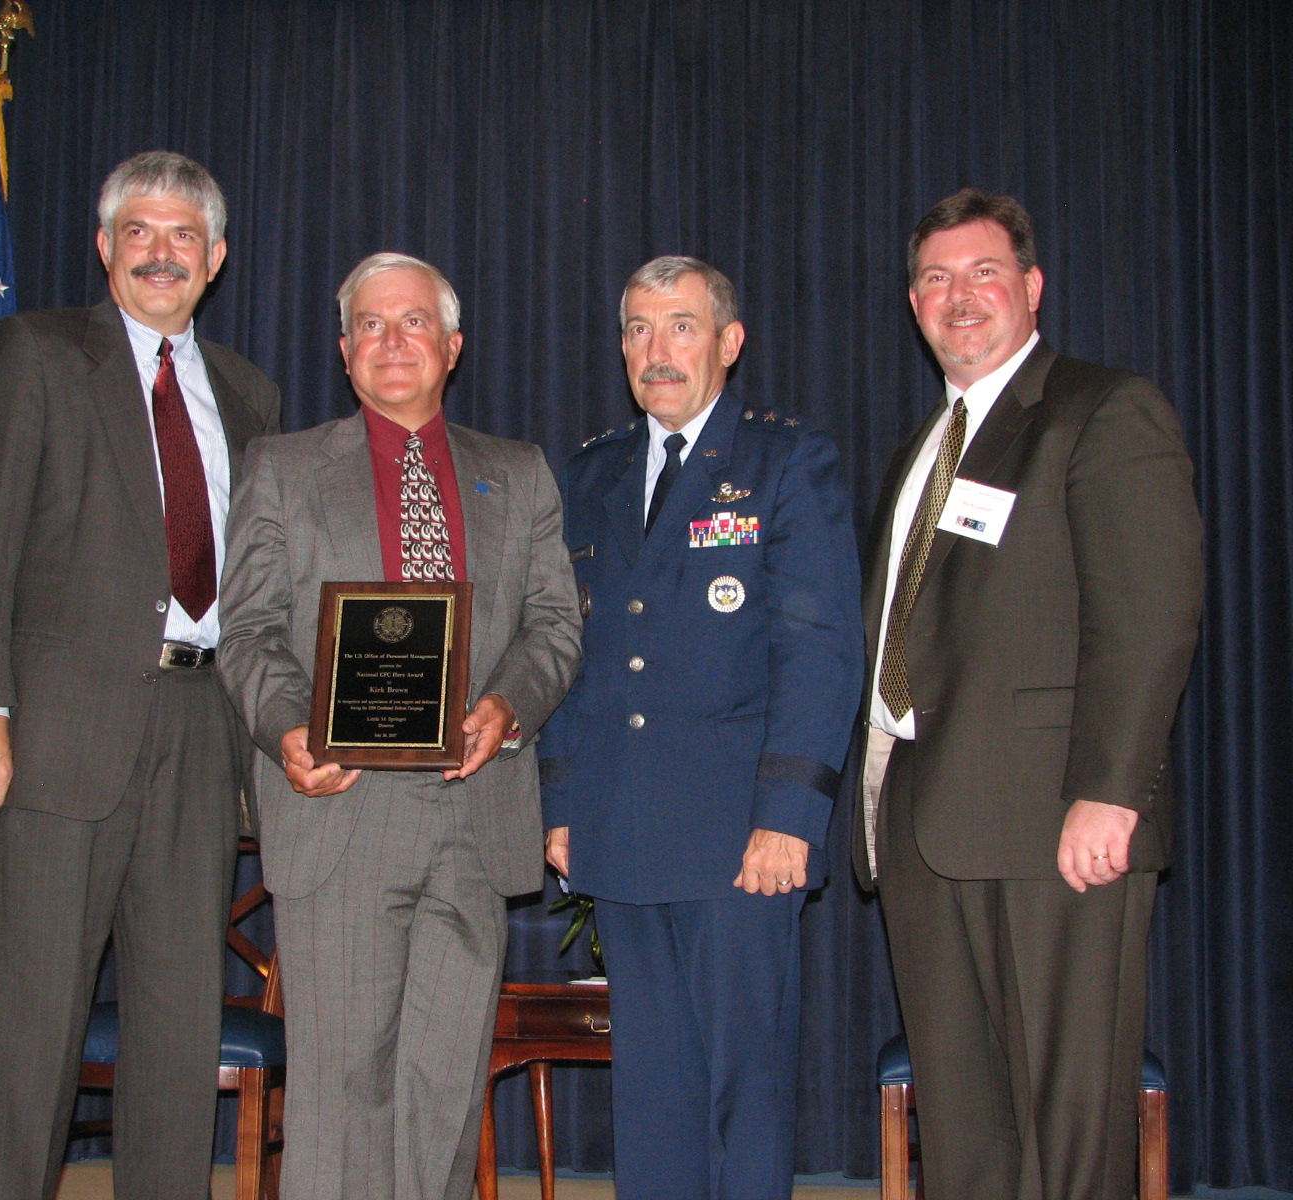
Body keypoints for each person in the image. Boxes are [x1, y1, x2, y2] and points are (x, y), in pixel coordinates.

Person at [0, 150, 280, 1200]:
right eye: (141, 232)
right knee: (35, 1019)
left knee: (177, 1022)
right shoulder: (37, 351)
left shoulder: (249, 392)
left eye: (184, 236)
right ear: (104, 247)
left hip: (201, 729)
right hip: (59, 738)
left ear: (215, 259)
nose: (161, 253)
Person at [855, 188, 1204, 1200]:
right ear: (911, 302)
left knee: (1066, 1127)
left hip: (1058, 825)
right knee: (965, 1129)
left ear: (1031, 286)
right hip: (924, 829)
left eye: (982, 272)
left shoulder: (1101, 409)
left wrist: (1113, 790)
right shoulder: (919, 450)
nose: (957, 297)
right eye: (933, 278)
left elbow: (1149, 615)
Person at [215, 253, 582, 1200]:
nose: (392, 341)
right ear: (344, 353)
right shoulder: (284, 470)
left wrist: (506, 708)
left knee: (445, 1089)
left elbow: (553, 625)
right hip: (340, 812)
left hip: (476, 811)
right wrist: (291, 728)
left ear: (452, 347)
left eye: (413, 322)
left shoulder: (519, 472)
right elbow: (248, 632)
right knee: (341, 1093)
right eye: (370, 326)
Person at [538, 256, 863, 1200]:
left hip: (739, 834)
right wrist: (563, 800)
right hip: (623, 822)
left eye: (680, 326)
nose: (656, 349)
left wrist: (790, 816)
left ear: (729, 342)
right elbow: (569, 650)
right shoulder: (593, 470)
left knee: (744, 1090)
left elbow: (820, 648)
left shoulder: (784, 460)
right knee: (653, 1093)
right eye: (638, 328)